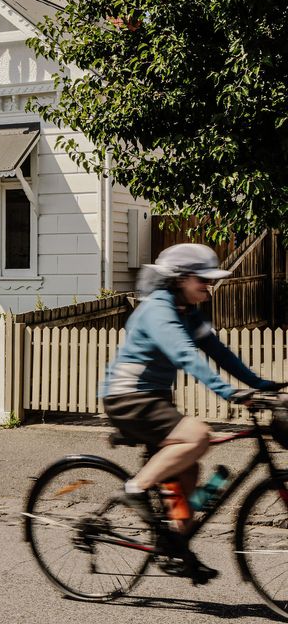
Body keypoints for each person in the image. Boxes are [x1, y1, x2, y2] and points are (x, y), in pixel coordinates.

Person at [102, 242, 280, 582]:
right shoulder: (159, 310)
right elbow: (187, 356)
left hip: (155, 399)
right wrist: (231, 393)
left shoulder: (188, 312)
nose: (209, 286)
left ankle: (176, 548)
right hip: (127, 398)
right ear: (181, 279)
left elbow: (220, 353)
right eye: (203, 280)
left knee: (187, 476)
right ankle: (135, 489)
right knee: (197, 434)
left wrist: (261, 384)